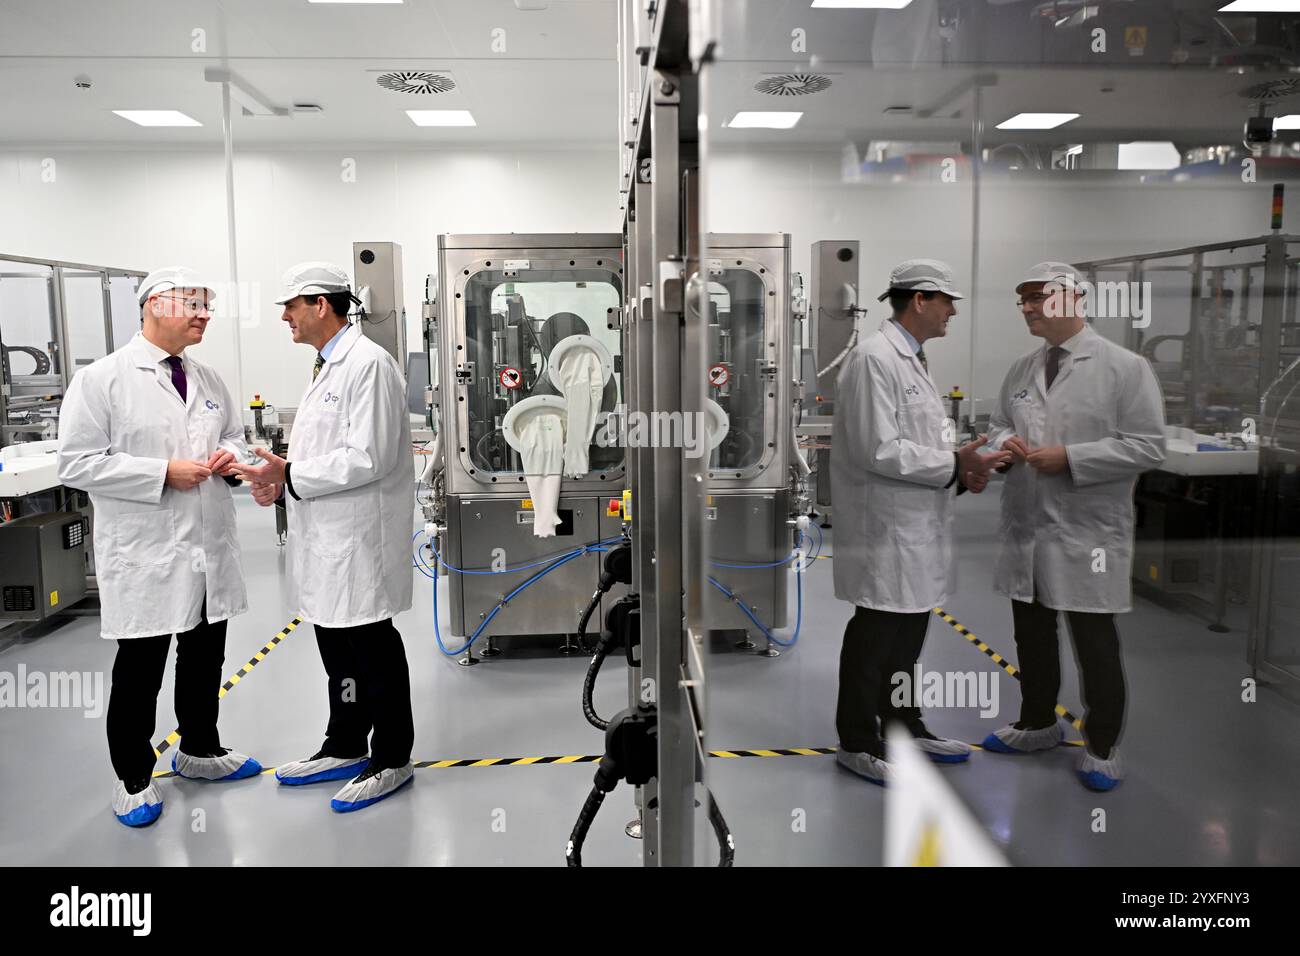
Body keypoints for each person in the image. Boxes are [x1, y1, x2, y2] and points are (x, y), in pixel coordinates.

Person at [57, 266, 262, 828]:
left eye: (207, 306)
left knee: (204, 655)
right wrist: (161, 472)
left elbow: (236, 437)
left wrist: (228, 456)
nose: (204, 315)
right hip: (144, 549)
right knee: (140, 667)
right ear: (152, 306)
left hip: (206, 544)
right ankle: (132, 778)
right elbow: (76, 462)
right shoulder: (103, 380)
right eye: (192, 304)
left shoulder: (209, 378)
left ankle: (199, 750)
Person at [231, 262, 415, 812]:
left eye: (291, 304)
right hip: (328, 536)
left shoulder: (369, 366)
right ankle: (344, 744)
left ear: (320, 305)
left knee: (371, 648)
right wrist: (281, 482)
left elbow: (371, 457)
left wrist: (289, 476)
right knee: (336, 647)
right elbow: (322, 457)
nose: (284, 315)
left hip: (360, 539)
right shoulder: (327, 366)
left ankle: (392, 758)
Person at [982, 262, 1166, 791]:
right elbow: (997, 424)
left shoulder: (1123, 368)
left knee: (1095, 643)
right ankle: (1038, 723)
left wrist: (1072, 457)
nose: (1027, 308)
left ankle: (1103, 747)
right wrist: (1004, 445)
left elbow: (1147, 444)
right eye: (1023, 299)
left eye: (1037, 298)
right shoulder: (1021, 369)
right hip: (1027, 525)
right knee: (1032, 635)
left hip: (1088, 531)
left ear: (1073, 299)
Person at [831, 259, 1010, 786]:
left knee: (909, 632)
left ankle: (903, 725)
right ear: (920, 300)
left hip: (917, 524)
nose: (953, 310)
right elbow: (878, 449)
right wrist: (956, 463)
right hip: (884, 529)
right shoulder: (873, 359)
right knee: (876, 634)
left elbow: (919, 446)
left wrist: (962, 466)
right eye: (947, 300)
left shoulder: (912, 359)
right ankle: (857, 741)